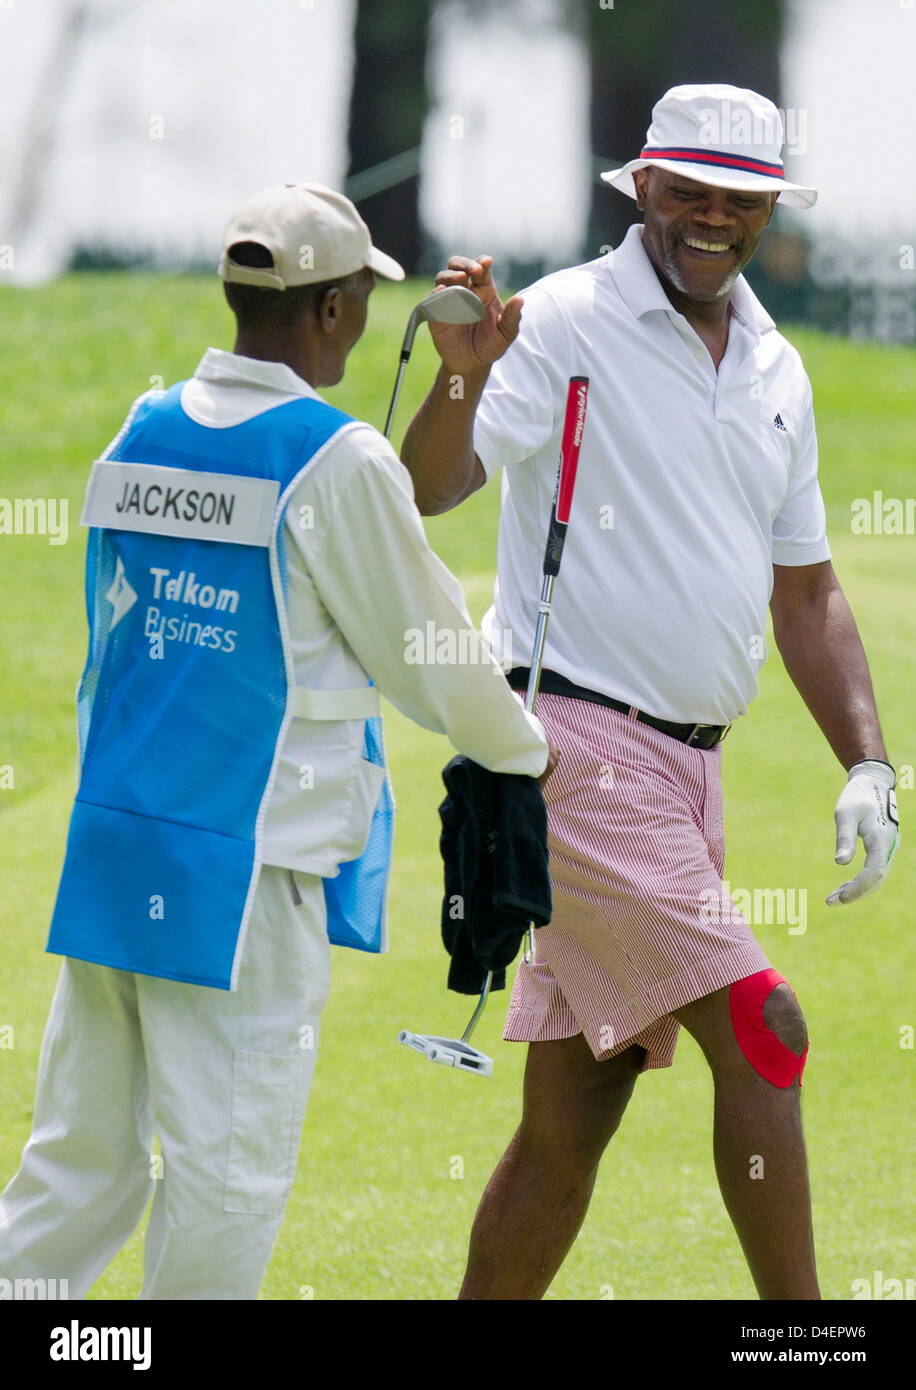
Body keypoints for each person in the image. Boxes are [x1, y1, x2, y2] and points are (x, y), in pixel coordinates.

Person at [0, 183, 551, 1300]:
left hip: (117, 847)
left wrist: (458, 375)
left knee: (78, 1164)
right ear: (338, 311)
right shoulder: (333, 456)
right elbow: (430, 655)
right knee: (229, 1174)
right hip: (244, 872)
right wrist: (527, 752)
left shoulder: (143, 422)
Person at [400, 86, 900, 1301]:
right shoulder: (567, 317)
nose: (712, 218)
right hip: (569, 749)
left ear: (770, 209)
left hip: (687, 774)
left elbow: (807, 591)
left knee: (570, 1125)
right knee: (766, 1033)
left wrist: (871, 762)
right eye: (687, 192)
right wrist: (461, 377)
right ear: (642, 189)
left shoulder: (778, 363)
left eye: (740, 199)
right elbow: (431, 486)